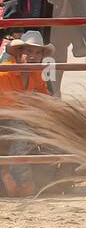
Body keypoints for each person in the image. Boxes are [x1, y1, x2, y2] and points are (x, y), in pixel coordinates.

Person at [0, 30, 54, 196]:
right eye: (28, 51)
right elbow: (7, 106)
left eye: (38, 52)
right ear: (18, 53)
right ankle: (21, 179)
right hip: (7, 119)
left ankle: (24, 177)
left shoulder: (36, 73)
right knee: (21, 128)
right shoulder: (4, 72)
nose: (33, 56)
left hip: (18, 118)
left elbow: (45, 98)